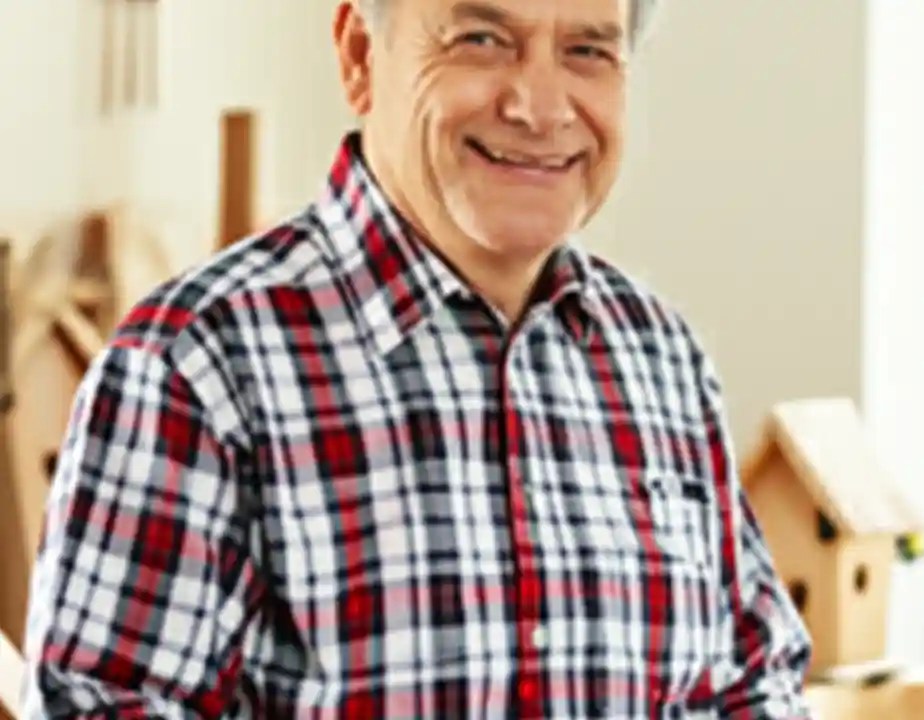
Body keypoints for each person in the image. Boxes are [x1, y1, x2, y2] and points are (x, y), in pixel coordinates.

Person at [21, 0, 813, 716]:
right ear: (360, 56)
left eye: (587, 52)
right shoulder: (195, 370)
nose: (539, 107)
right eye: (481, 39)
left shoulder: (660, 359)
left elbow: (749, 685)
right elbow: (102, 707)